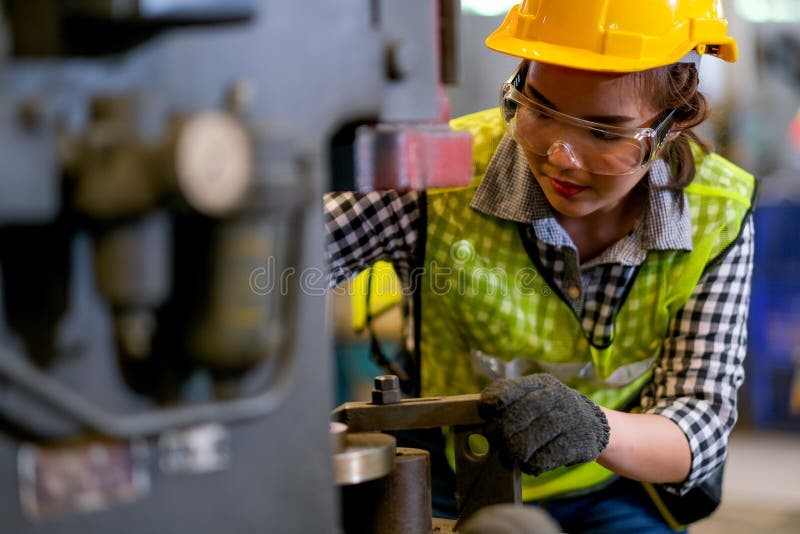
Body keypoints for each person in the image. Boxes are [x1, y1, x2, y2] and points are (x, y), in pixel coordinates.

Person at [325, 1, 755, 532]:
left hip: (612, 488)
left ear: (672, 124)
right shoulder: (442, 171)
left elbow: (701, 422)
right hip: (447, 478)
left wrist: (596, 429)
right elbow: (295, 253)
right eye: (540, 111)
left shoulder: (719, 213)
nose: (560, 156)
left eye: (603, 132)